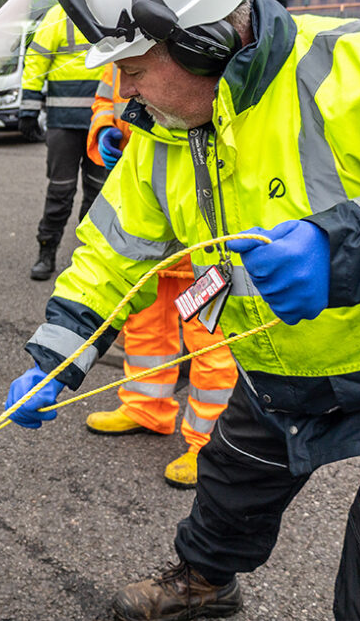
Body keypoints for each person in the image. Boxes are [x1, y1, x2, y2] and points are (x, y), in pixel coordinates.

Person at [1, 0, 360, 618]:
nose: (125, 90)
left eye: (136, 70)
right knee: (229, 491)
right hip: (284, 371)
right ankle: (205, 585)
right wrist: (54, 358)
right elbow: (113, 256)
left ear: (205, 45)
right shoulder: (165, 133)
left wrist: (342, 251)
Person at [83, 65, 238, 489]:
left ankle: (211, 443)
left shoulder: (200, 48)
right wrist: (103, 132)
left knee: (212, 343)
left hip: (201, 227)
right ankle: (145, 407)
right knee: (146, 327)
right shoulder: (123, 55)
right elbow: (105, 101)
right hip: (151, 215)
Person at [19, 2, 107, 281]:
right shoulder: (57, 16)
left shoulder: (110, 9)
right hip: (64, 122)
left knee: (100, 194)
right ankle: (47, 251)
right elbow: (36, 61)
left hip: (103, 121)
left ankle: (91, 255)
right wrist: (28, 108)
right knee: (60, 190)